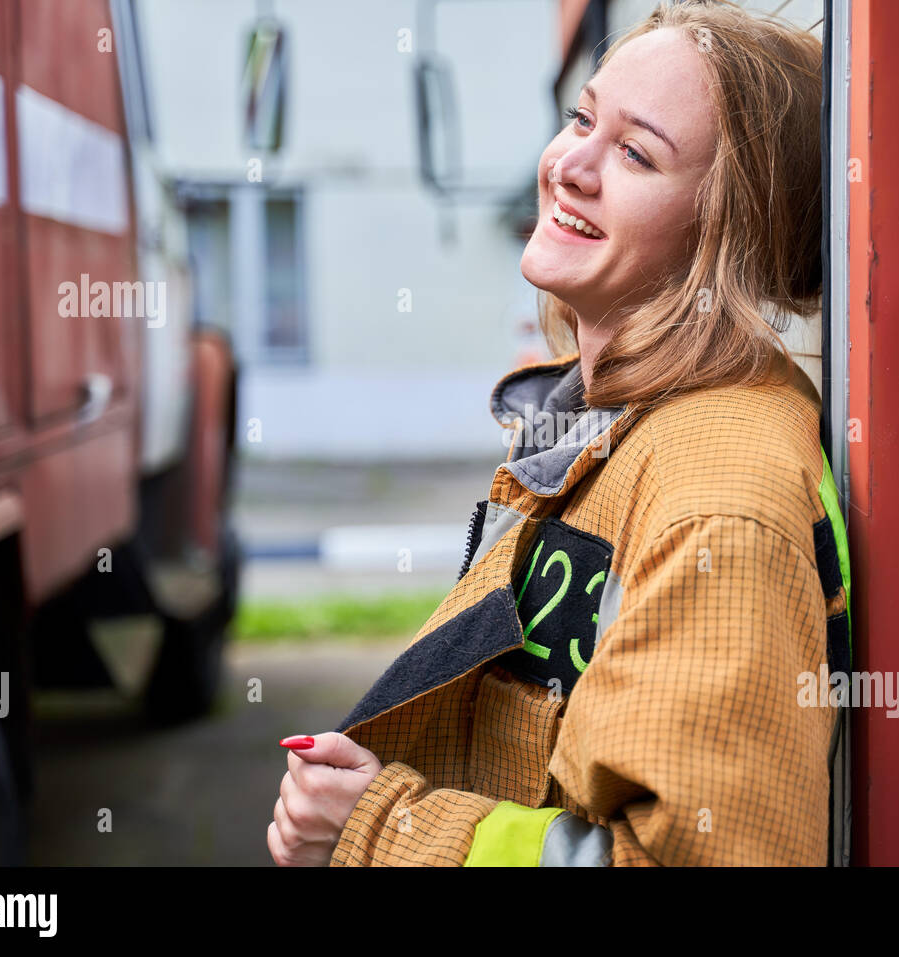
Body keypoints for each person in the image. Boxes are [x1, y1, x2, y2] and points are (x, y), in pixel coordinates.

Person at [267, 0, 849, 867]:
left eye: (636, 152)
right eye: (582, 118)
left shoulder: (721, 502)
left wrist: (382, 826)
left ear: (726, 233)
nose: (568, 165)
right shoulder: (620, 419)